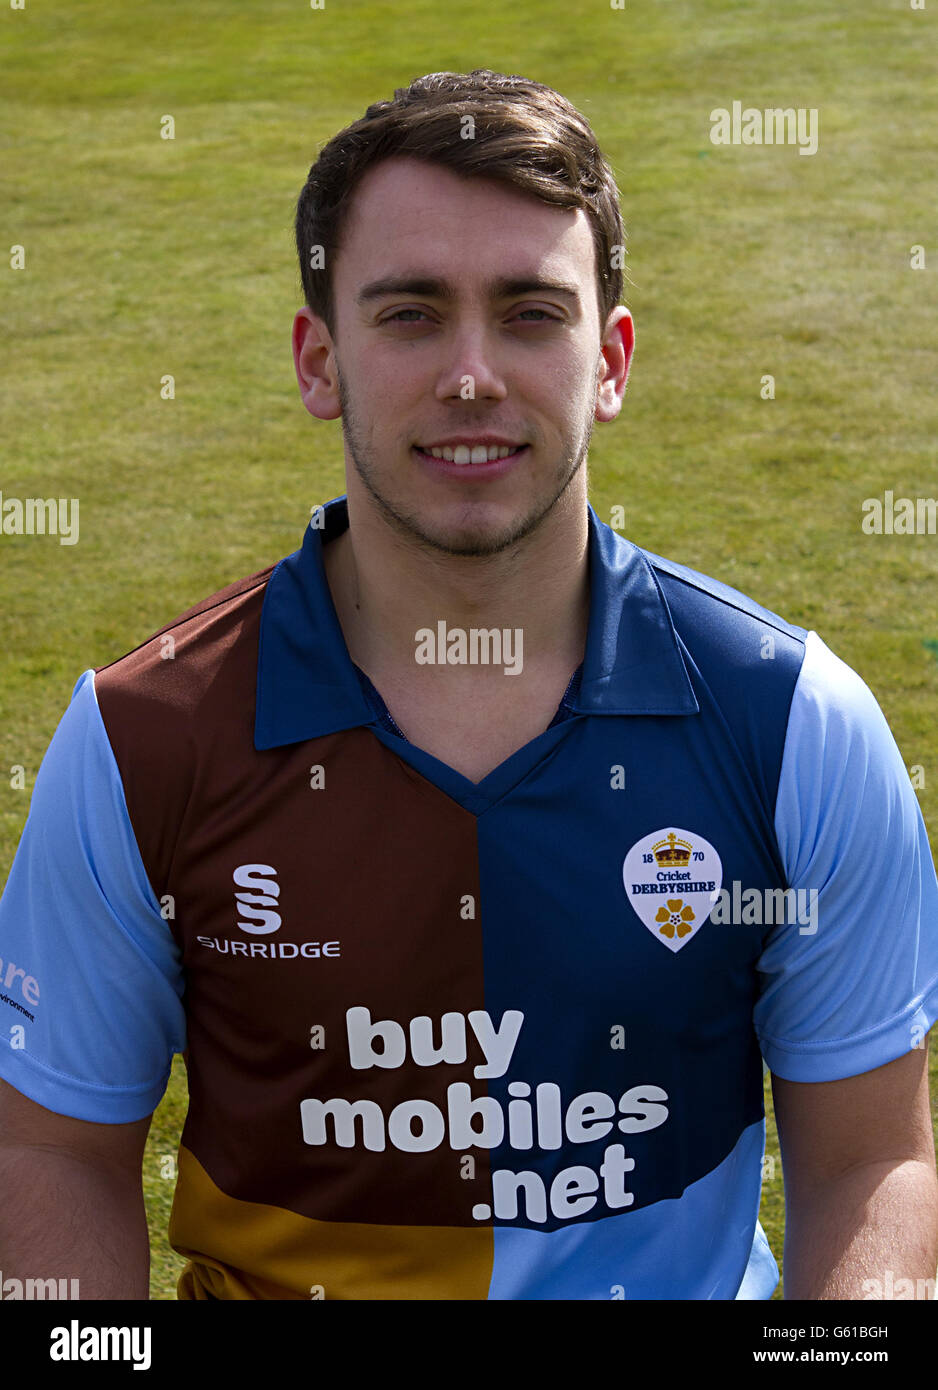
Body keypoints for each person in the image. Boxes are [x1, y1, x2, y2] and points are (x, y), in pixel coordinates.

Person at [1, 68, 937, 1302]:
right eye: (409, 314)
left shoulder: (794, 723)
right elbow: (49, 1150)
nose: (470, 375)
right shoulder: (140, 739)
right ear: (318, 359)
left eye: (529, 313)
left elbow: (871, 1159)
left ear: (607, 359)